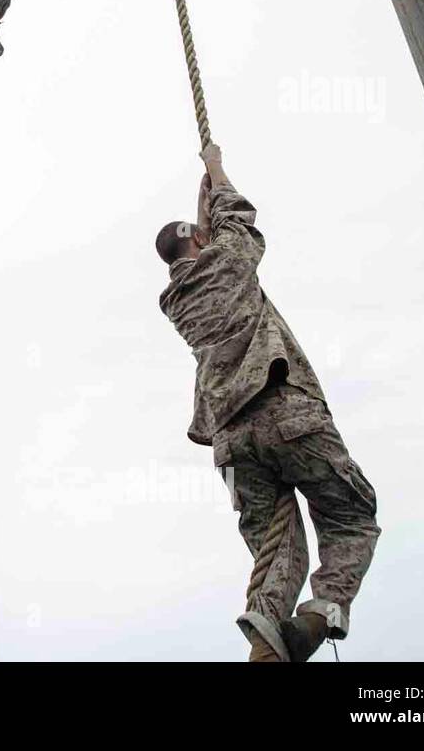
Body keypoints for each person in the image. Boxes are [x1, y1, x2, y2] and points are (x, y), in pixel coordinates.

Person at [156, 144, 380, 662]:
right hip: (285, 413)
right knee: (351, 515)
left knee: (276, 550)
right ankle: (324, 610)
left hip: (233, 444)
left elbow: (209, 242)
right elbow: (238, 217)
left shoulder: (176, 301)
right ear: (201, 242)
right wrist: (214, 167)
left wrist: (198, 216)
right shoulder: (230, 260)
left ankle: (267, 638)